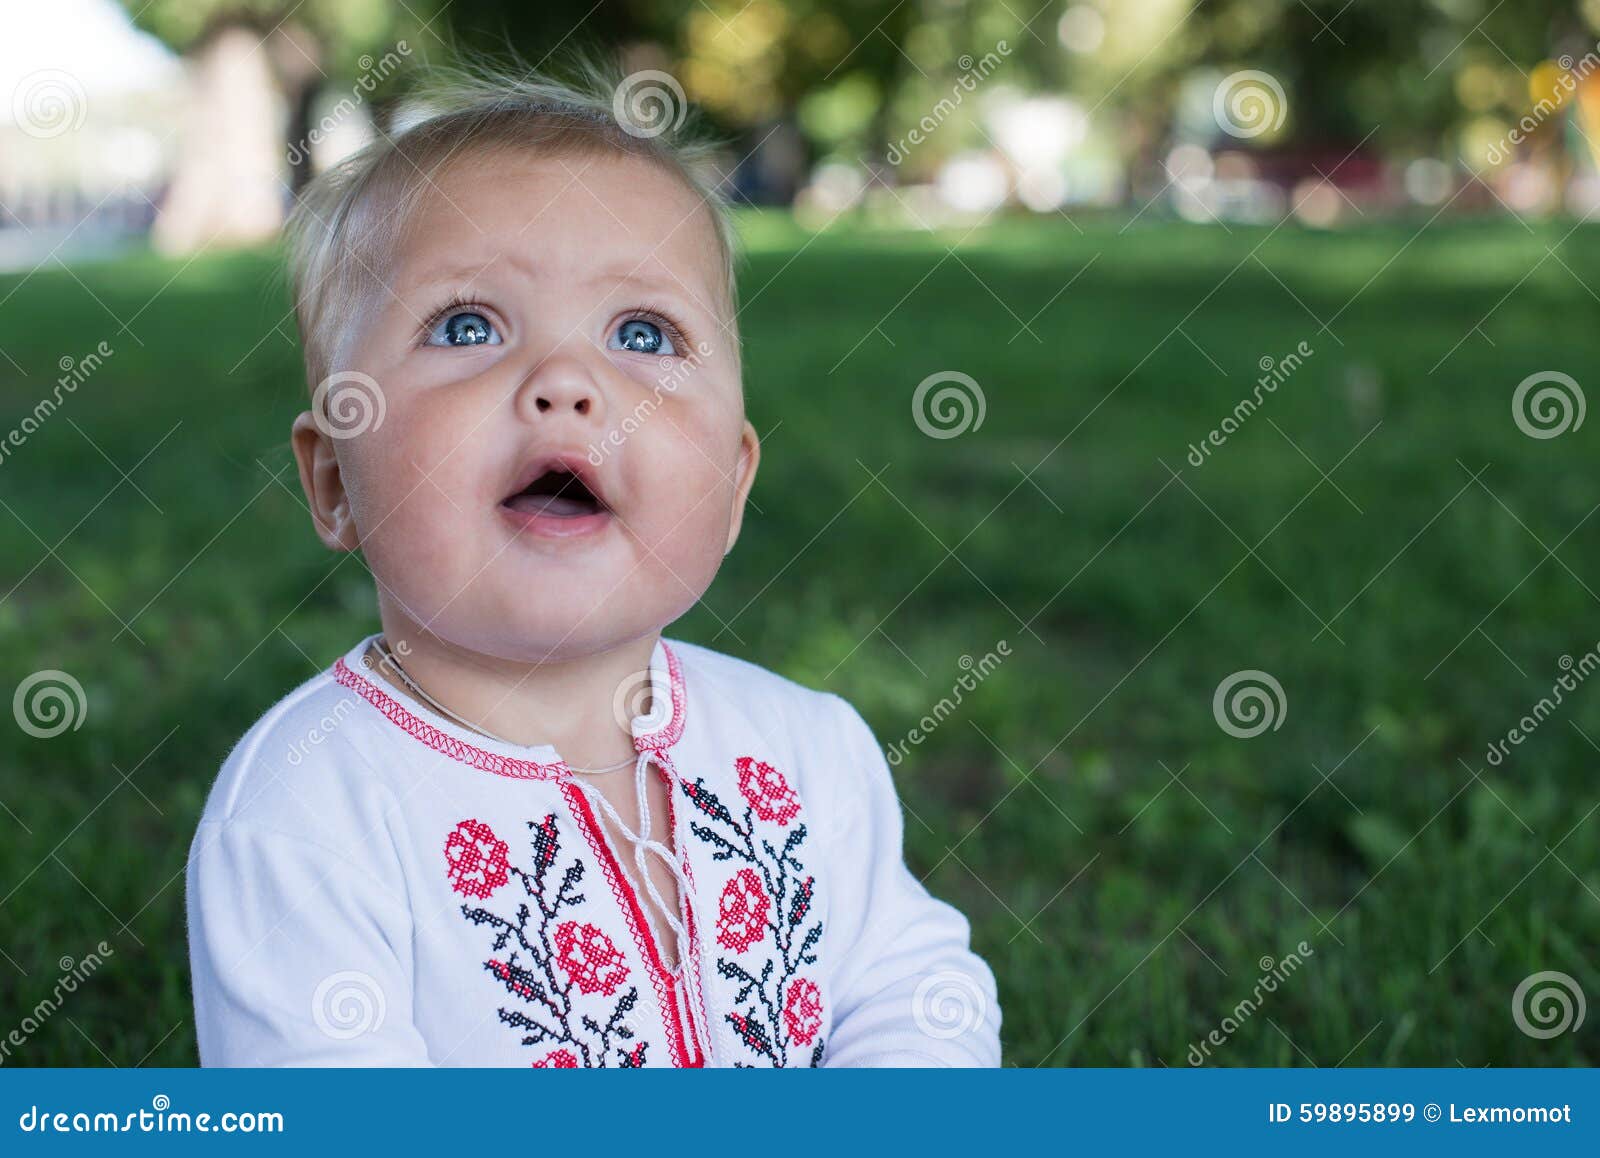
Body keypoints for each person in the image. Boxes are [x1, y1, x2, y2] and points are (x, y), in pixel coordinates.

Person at [184, 57, 1001, 1068]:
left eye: (643, 332)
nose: (565, 381)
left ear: (735, 482)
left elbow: (911, 989)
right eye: (468, 325)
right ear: (335, 482)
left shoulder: (810, 750)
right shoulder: (307, 812)